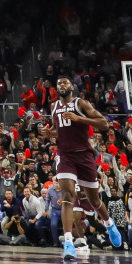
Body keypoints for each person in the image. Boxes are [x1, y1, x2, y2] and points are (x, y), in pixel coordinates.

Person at [52, 74, 124, 260]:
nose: (61, 85)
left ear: (72, 87)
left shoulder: (80, 104)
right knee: (67, 195)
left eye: (65, 82)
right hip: (65, 155)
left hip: (84, 154)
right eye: (58, 83)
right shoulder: (54, 107)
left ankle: (109, 224)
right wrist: (47, 133)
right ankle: (68, 242)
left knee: (94, 201)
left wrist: (79, 119)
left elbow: (103, 122)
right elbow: (59, 130)